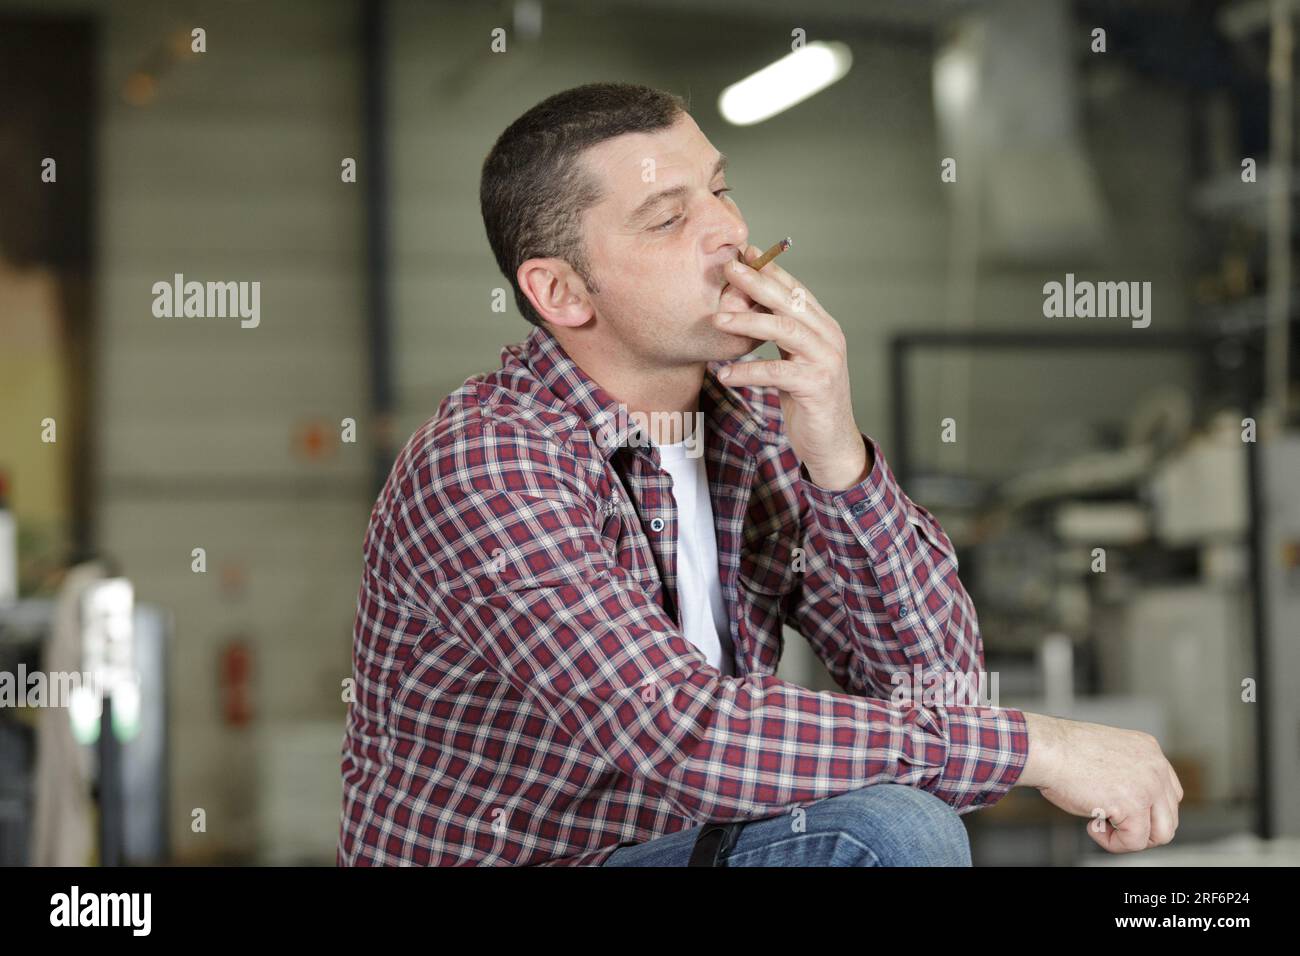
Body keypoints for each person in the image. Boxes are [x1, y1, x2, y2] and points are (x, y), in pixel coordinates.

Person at [338, 82, 1182, 867]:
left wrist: (839, 459)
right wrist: (1042, 745)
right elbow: (682, 734)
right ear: (560, 291)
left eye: (720, 188)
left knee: (897, 815)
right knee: (883, 833)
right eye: (669, 219)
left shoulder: (749, 430)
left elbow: (938, 693)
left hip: (671, 847)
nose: (730, 234)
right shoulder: (490, 464)